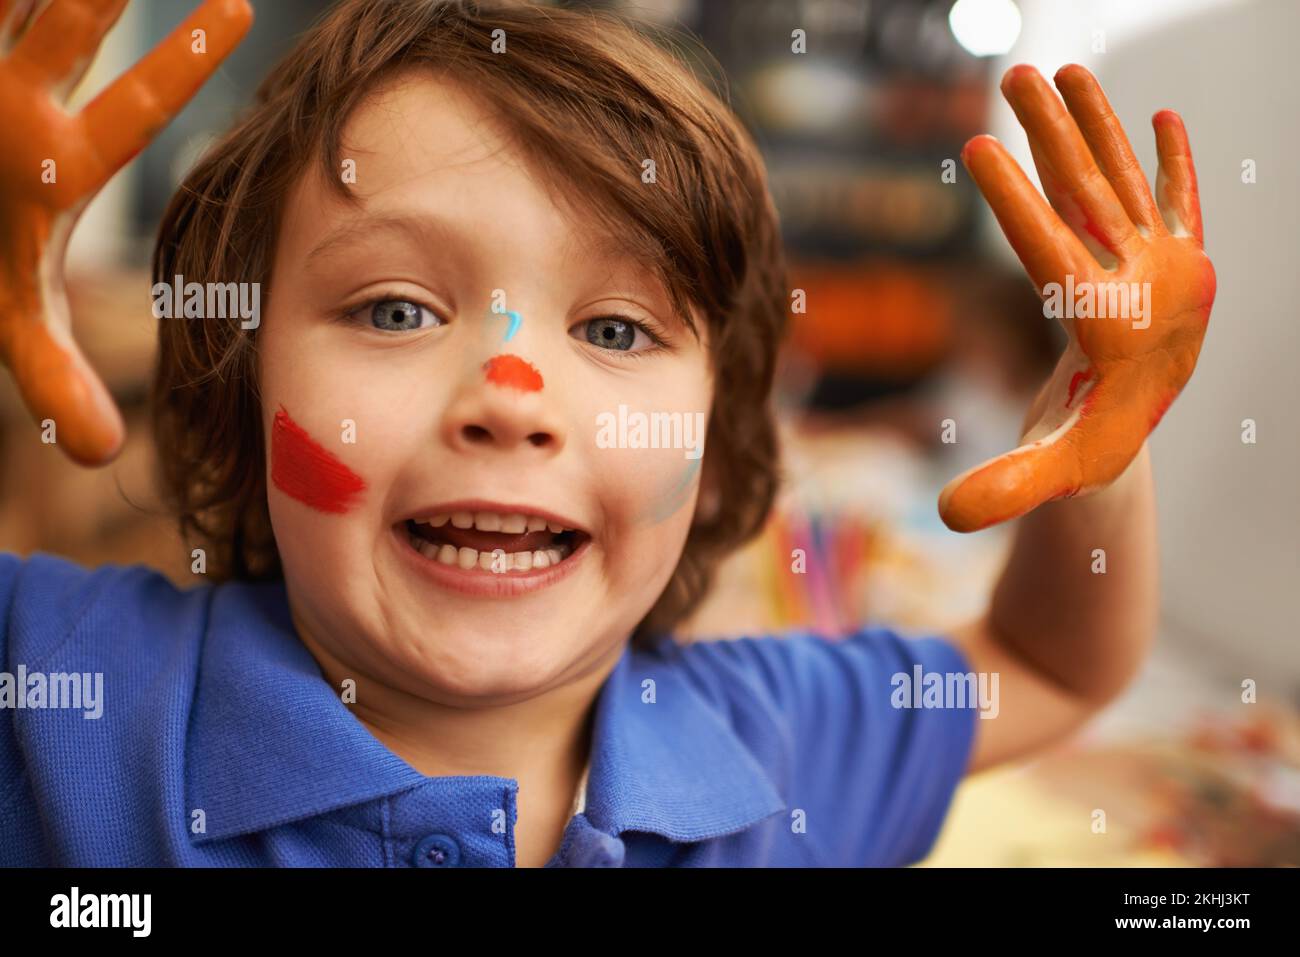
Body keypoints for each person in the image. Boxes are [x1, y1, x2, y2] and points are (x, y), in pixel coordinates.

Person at [0, 0, 1213, 866]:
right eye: (395, 309)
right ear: (239, 387)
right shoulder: (69, 698)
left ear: (719, 449)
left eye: (618, 329)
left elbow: (1049, 665)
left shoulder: (776, 750)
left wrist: (1100, 449)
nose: (510, 395)